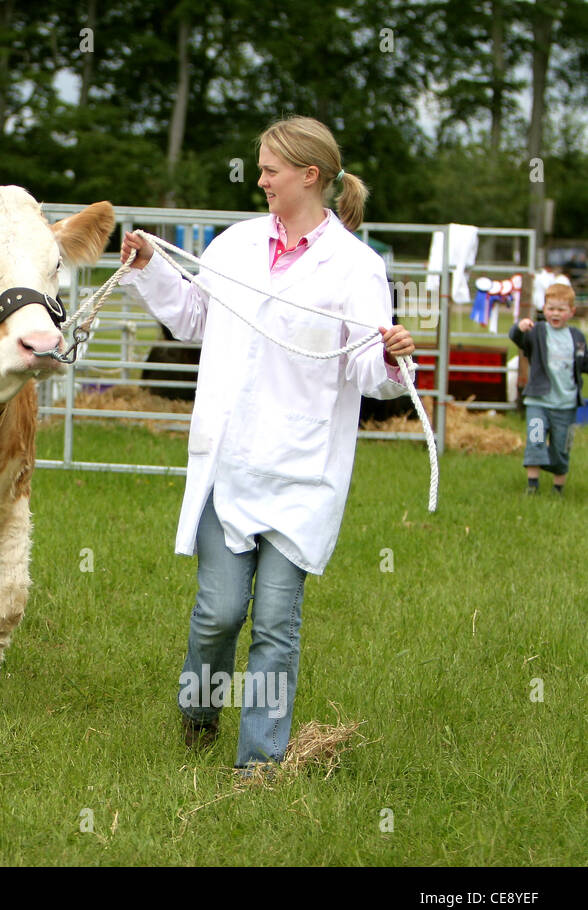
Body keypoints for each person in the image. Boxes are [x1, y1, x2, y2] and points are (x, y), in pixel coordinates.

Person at [119, 116, 416, 774]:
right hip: (232, 461)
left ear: (309, 177)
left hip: (302, 472)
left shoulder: (357, 269)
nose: (259, 180)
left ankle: (258, 764)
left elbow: (367, 372)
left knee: (277, 623)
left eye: (270, 170)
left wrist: (393, 357)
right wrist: (151, 269)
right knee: (219, 614)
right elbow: (195, 317)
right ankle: (199, 712)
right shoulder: (235, 245)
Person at [511, 281, 585, 495]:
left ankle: (558, 487)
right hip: (538, 402)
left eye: (561, 309)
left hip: (566, 404)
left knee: (561, 446)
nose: (555, 313)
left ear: (571, 311)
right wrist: (519, 328)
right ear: (544, 309)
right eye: (551, 308)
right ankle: (532, 485)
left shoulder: (577, 337)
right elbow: (517, 338)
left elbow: (584, 362)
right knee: (535, 440)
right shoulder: (537, 332)